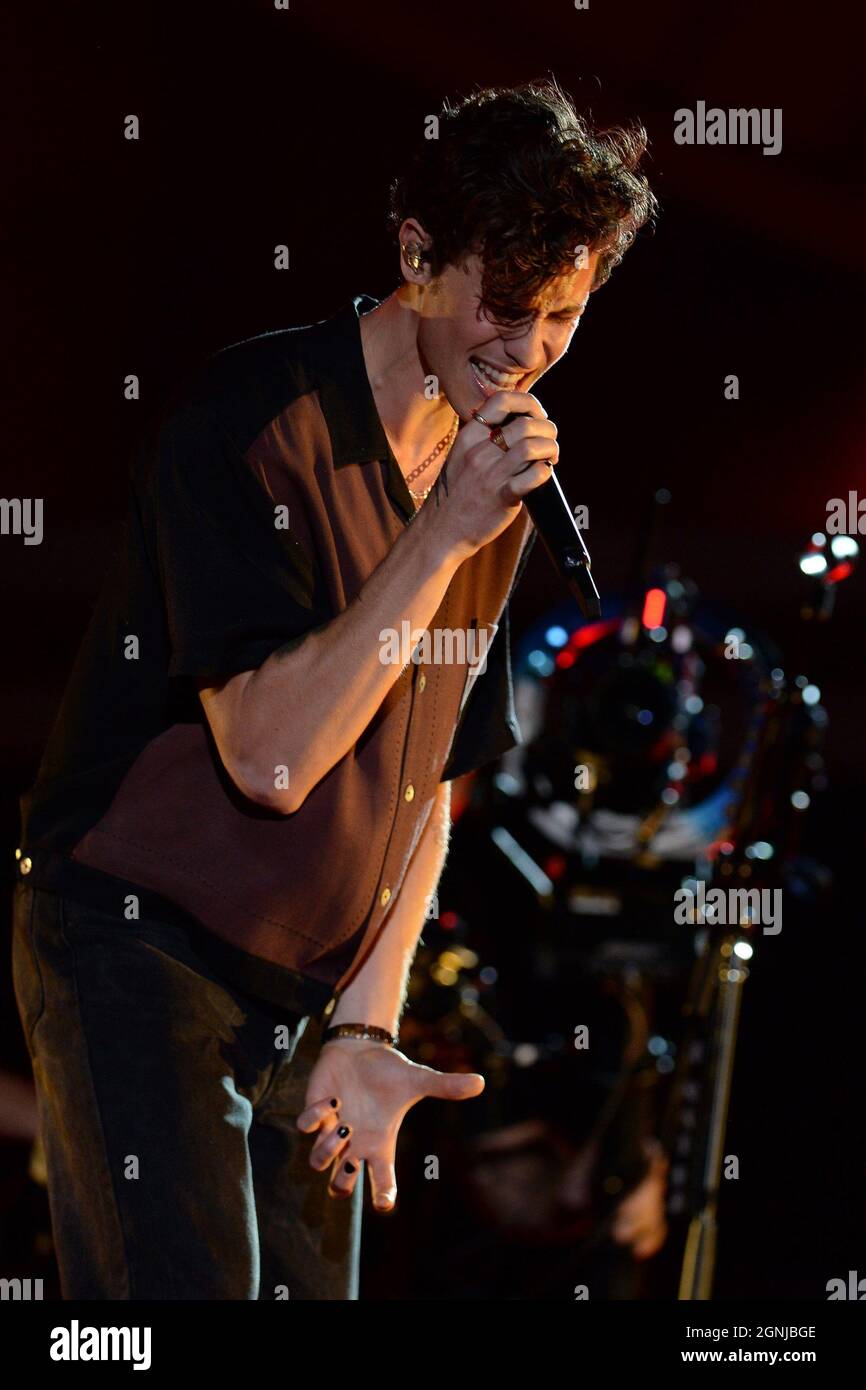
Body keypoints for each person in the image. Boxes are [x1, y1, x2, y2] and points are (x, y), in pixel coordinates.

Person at [11, 77, 656, 1299]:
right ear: (415, 254)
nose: (527, 355)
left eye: (564, 318)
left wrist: (367, 1023)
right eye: (505, 308)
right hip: (140, 945)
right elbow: (269, 756)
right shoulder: (254, 419)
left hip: (302, 999)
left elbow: (430, 783)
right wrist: (439, 539)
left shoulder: (483, 489)